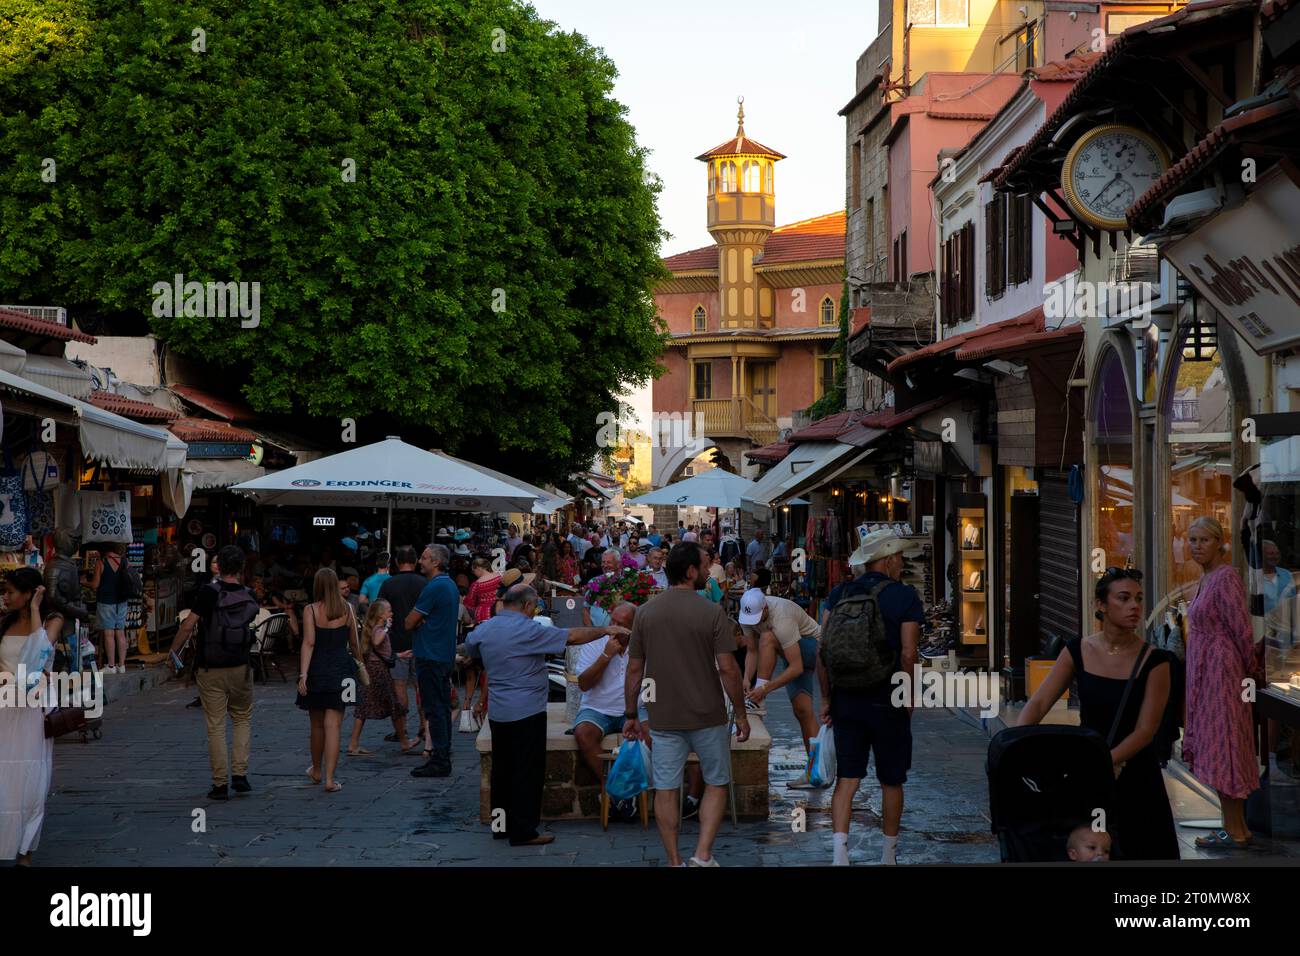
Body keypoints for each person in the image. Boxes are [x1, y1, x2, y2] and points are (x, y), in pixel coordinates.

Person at [1019, 566, 1179, 859]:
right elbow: (1039, 703)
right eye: (1124, 598)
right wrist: (1017, 745)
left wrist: (1106, 760)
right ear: (1101, 605)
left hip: (1134, 774)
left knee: (1139, 849)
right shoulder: (1077, 650)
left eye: (1138, 599)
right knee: (1088, 849)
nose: (1134, 606)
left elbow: (1146, 730)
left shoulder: (1156, 661)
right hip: (1088, 773)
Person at [467, 584, 630, 846]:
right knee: (527, 772)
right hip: (527, 710)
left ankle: (500, 826)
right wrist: (605, 629)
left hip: (498, 711)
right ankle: (524, 831)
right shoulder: (528, 630)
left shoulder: (485, 628)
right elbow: (572, 637)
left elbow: (471, 649)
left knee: (501, 771)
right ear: (528, 606)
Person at [623, 542, 748, 867]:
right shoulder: (711, 612)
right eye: (704, 566)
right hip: (707, 713)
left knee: (665, 789)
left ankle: (675, 861)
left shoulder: (646, 612)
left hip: (663, 716)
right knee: (717, 781)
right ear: (691, 571)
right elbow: (728, 668)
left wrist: (631, 714)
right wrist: (742, 714)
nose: (708, 571)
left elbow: (634, 669)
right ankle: (703, 854)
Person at [818, 529, 920, 865]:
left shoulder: (839, 593)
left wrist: (827, 699)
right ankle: (888, 855)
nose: (902, 562)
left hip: (847, 698)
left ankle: (838, 854)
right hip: (888, 697)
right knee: (892, 780)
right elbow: (908, 654)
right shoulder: (905, 597)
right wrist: (908, 696)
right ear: (889, 559)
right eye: (900, 558)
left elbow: (823, 650)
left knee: (848, 779)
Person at [1183, 516, 1260, 848]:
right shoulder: (1207, 578)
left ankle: (1234, 829)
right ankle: (1236, 826)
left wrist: (1250, 668)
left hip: (1221, 672)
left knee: (1225, 744)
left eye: (1203, 540)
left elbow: (1241, 628)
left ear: (1219, 542)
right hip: (1206, 670)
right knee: (1219, 744)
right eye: (1192, 540)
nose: (1197, 546)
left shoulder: (1226, 577)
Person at [167, 545, 261, 800]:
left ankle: (220, 783)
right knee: (242, 718)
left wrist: (173, 652)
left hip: (211, 665)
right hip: (241, 665)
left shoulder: (209, 592)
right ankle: (240, 774)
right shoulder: (249, 594)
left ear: (219, 567)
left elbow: (188, 626)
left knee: (216, 725)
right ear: (241, 568)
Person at [0, 571, 64, 865]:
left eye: (11, 592)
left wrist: (36, 610)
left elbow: (38, 654)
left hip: (32, 710)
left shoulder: (53, 620)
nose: (5, 597)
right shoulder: (5, 623)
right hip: (5, 707)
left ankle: (24, 849)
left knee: (31, 779)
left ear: (28, 594)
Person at [739, 588, 823, 780]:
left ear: (766, 607)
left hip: (812, 647)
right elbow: (752, 651)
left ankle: (760, 701)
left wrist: (764, 689)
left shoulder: (782, 616)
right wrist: (746, 679)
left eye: (760, 617)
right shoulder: (747, 615)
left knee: (767, 637)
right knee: (802, 711)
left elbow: (796, 667)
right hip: (789, 649)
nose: (757, 623)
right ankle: (816, 771)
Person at [297, 567, 361, 793]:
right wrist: (361, 666)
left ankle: (316, 769)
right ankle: (330, 779)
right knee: (334, 726)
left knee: (316, 725)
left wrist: (303, 674)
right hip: (342, 669)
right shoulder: (348, 609)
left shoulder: (311, 610)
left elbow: (309, 643)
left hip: (317, 669)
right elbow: (354, 643)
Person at [572, 602, 639, 818]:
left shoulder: (643, 645)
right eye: (613, 621)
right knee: (583, 733)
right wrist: (606, 656)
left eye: (621, 624)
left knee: (652, 732)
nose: (615, 627)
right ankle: (615, 790)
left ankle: (626, 790)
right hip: (598, 708)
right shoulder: (596, 642)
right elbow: (583, 684)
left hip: (632, 708)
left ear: (633, 628)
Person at [404, 543, 461, 778]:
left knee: (434, 709)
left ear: (436, 562)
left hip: (431, 655)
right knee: (442, 708)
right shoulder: (450, 585)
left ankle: (440, 759)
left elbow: (408, 622)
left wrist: (417, 621)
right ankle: (442, 754)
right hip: (443, 654)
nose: (420, 561)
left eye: (425, 558)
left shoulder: (434, 587)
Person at [377, 546, 427, 755]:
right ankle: (425, 727)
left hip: (396, 643)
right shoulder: (425, 583)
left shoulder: (388, 584)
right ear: (415, 562)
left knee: (399, 687)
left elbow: (379, 612)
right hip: (421, 642)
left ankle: (402, 729)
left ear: (397, 563)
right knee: (421, 688)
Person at [347, 600, 396, 756]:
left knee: (368, 707)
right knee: (392, 705)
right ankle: (403, 741)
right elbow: (377, 641)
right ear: (381, 614)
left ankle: (353, 744)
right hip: (377, 671)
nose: (391, 613)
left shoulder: (376, 628)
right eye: (389, 611)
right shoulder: (378, 628)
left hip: (377, 669)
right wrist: (387, 627)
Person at [89, 543, 129, 674]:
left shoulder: (101, 563)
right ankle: (122, 665)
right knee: (120, 633)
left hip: (106, 602)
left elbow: (95, 584)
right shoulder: (125, 561)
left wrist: (84, 581)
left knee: (109, 633)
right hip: (122, 602)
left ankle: (111, 666)